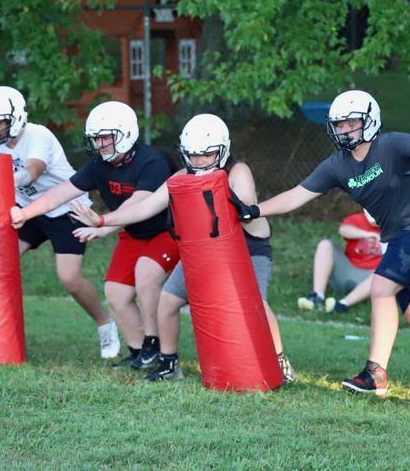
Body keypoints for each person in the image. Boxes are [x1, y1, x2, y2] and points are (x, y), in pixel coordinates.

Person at [229, 89, 410, 397]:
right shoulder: (337, 165)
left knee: (382, 287)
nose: (343, 130)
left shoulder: (390, 144)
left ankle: (375, 375)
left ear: (370, 121)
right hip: (397, 238)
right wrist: (255, 209)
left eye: (350, 123)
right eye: (339, 125)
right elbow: (296, 195)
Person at [69, 114, 295, 383]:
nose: (199, 161)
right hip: (204, 250)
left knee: (257, 303)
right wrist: (104, 220)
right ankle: (169, 363)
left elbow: (244, 206)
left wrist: (212, 193)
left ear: (222, 150)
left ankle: (278, 359)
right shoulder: (181, 176)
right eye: (193, 154)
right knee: (167, 301)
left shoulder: (238, 171)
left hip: (247, 247)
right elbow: (147, 206)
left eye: (206, 154)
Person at [10, 101, 178, 369]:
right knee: (115, 292)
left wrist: (102, 223)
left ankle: (155, 345)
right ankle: (138, 352)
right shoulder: (100, 165)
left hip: (167, 231)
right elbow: (61, 192)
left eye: (105, 137)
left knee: (146, 278)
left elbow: (139, 206)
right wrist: (26, 213)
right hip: (133, 234)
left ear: (126, 134)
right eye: (96, 138)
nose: (100, 144)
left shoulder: (152, 161)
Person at [0, 86, 120, 359]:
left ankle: (104, 323)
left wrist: (2, 180)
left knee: (69, 278)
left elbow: (33, 169)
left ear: (16, 117)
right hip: (25, 211)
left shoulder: (38, 135)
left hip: (64, 209)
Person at [297, 210, 383, 313]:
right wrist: (367, 234)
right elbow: (343, 230)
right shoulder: (357, 219)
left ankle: (342, 304)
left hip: (371, 280)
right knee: (325, 245)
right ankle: (317, 296)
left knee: (386, 271)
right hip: (348, 271)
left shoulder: (396, 226)